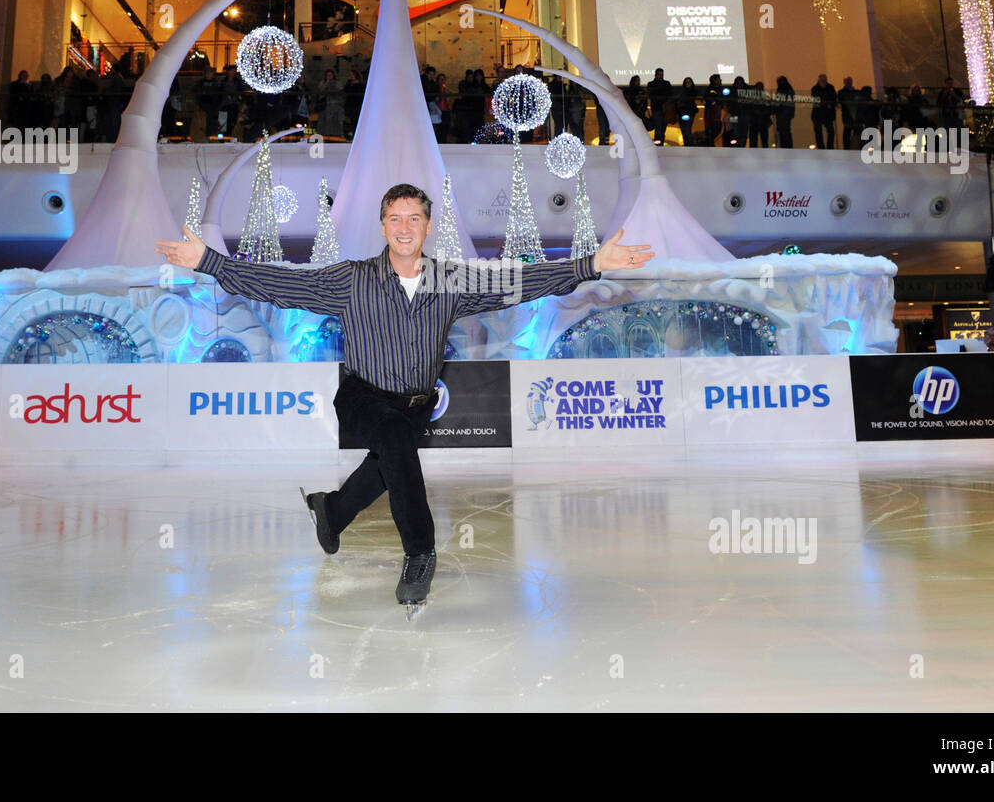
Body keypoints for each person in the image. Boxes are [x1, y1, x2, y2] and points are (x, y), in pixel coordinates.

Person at [155, 184, 654, 612]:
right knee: (392, 438)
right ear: (382, 226)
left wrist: (590, 265)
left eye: (414, 217)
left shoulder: (451, 281)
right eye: (395, 217)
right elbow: (284, 285)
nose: (404, 225)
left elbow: (519, 282)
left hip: (415, 404)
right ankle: (420, 553)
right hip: (361, 396)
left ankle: (330, 512)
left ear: (428, 225)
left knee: (389, 458)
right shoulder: (352, 279)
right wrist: (210, 262)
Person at [646, 67, 674, 145]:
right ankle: (658, 144)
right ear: (656, 75)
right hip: (657, 108)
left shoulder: (666, 83)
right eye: (659, 74)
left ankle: (659, 143)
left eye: (662, 74)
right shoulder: (652, 84)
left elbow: (670, 94)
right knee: (658, 127)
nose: (661, 76)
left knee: (662, 128)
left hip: (665, 109)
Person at [810, 73, 836, 149]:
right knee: (820, 132)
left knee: (829, 132)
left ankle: (829, 147)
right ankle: (823, 147)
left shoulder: (816, 88)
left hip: (825, 114)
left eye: (824, 80)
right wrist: (828, 103)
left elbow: (833, 98)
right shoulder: (817, 88)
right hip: (819, 114)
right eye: (822, 80)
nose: (824, 81)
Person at [317, 67, 345, 137]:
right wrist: (327, 83)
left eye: (330, 75)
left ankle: (336, 135)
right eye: (327, 75)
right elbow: (320, 90)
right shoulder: (322, 83)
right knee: (325, 122)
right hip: (325, 106)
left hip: (335, 106)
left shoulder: (338, 83)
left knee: (335, 122)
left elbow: (340, 91)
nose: (329, 76)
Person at [774, 76, 795, 149]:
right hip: (783, 115)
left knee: (784, 132)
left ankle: (786, 147)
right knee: (784, 132)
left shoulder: (784, 90)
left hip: (783, 115)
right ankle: (786, 147)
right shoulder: (788, 89)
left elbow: (780, 103)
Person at [838, 76, 859, 150]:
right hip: (848, 115)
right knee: (848, 131)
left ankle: (850, 148)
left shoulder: (842, 92)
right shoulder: (843, 92)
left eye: (850, 81)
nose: (849, 83)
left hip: (852, 115)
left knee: (850, 132)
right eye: (848, 82)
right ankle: (848, 148)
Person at [677, 77, 699, 146]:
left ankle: (689, 145)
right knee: (684, 131)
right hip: (681, 112)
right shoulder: (681, 92)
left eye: (689, 82)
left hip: (689, 112)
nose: (688, 83)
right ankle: (686, 144)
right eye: (686, 82)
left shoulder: (693, 92)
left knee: (687, 130)